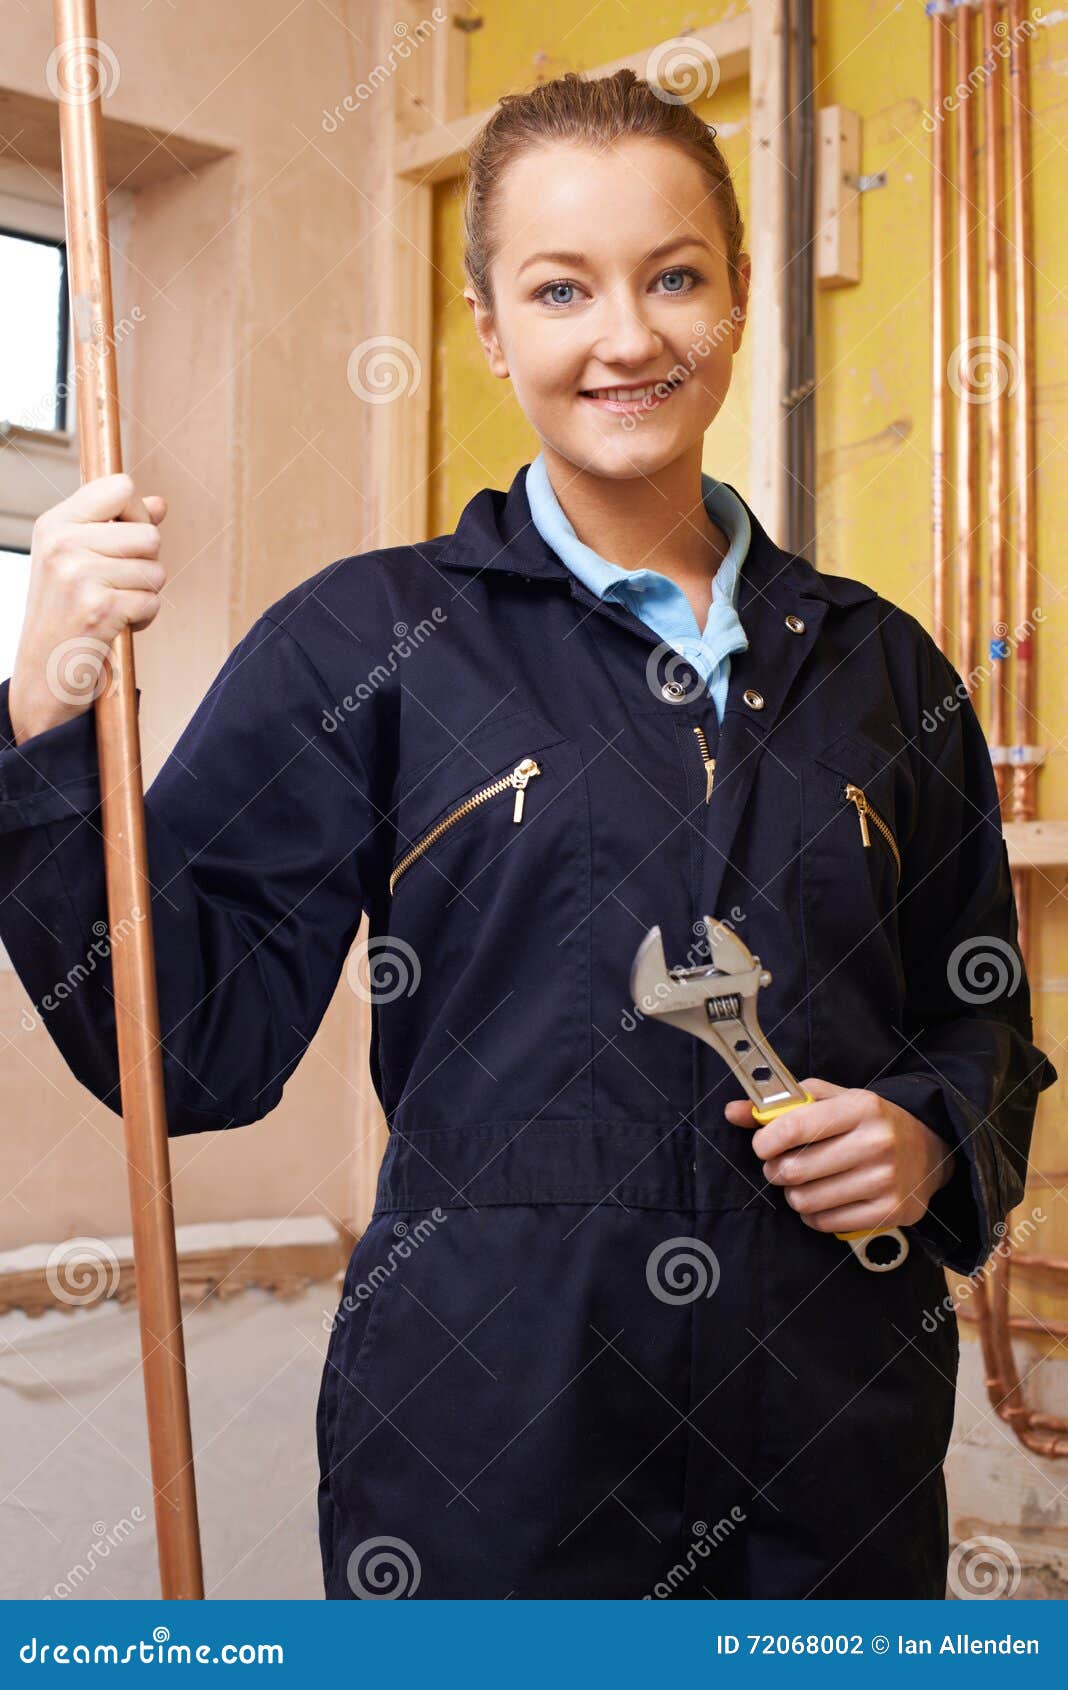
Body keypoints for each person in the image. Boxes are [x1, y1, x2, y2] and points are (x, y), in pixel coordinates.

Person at [0, 68, 1056, 1601]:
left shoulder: (886, 671)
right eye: (561, 287)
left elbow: (985, 1032)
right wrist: (41, 726)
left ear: (739, 296)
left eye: (673, 275)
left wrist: (928, 1140)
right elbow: (186, 1042)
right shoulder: (369, 642)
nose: (625, 336)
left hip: (831, 1474)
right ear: (492, 327)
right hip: (485, 1470)